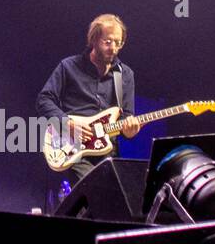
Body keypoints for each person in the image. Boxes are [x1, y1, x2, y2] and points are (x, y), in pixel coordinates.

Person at [36, 13, 141, 186]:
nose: (113, 48)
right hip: (72, 147)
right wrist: (67, 123)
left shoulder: (126, 75)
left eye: (118, 43)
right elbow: (44, 99)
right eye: (107, 42)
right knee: (95, 191)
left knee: (120, 200)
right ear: (94, 40)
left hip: (107, 151)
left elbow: (126, 117)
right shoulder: (69, 66)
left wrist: (129, 131)